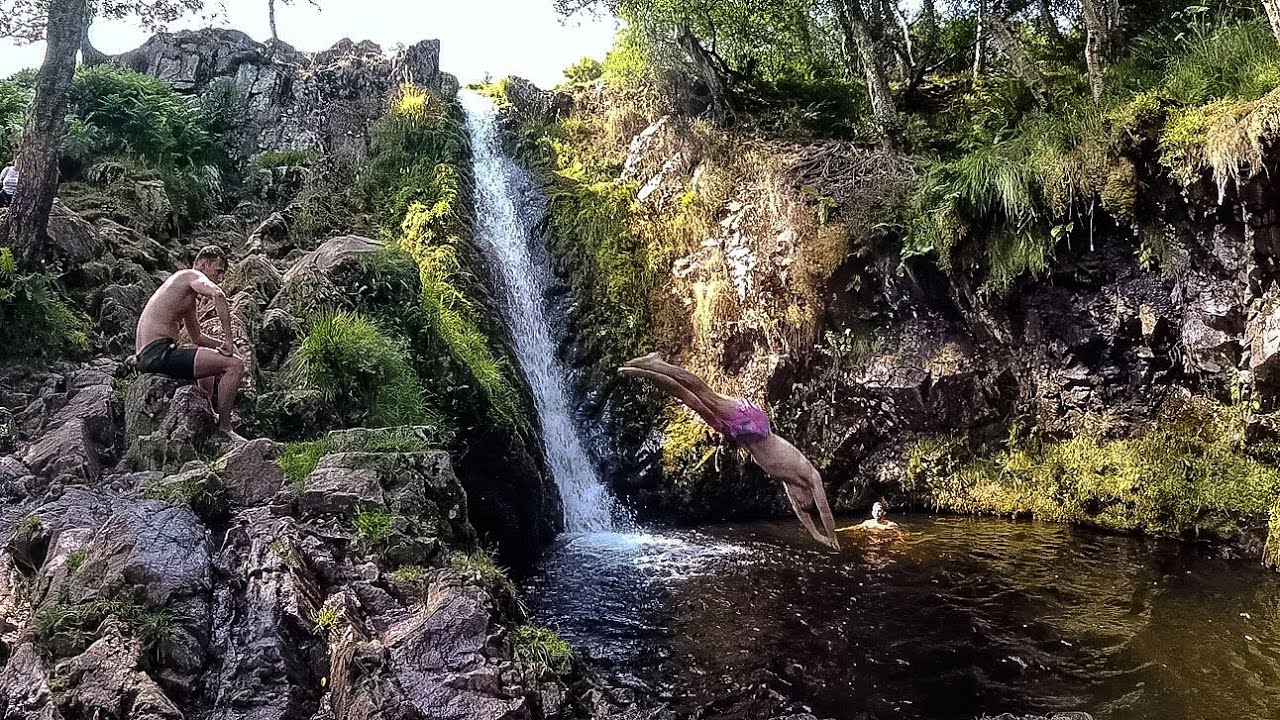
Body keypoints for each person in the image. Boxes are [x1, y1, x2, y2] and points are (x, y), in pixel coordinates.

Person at [618, 353, 840, 550]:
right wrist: (833, 539)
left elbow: (804, 516)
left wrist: (817, 536)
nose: (799, 505)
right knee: (705, 395)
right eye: (804, 503)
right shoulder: (810, 475)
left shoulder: (790, 486)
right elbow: (824, 510)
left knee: (692, 401)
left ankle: (644, 373)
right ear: (808, 493)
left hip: (738, 435)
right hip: (754, 424)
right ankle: (657, 363)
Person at [134, 245, 247, 441]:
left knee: (210, 358)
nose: (220, 278)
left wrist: (227, 346)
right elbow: (218, 294)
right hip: (158, 353)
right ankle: (225, 428)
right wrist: (229, 340)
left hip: (149, 355)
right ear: (203, 264)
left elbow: (198, 339)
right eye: (218, 271)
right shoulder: (189, 275)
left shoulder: (185, 297)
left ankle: (207, 411)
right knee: (235, 365)